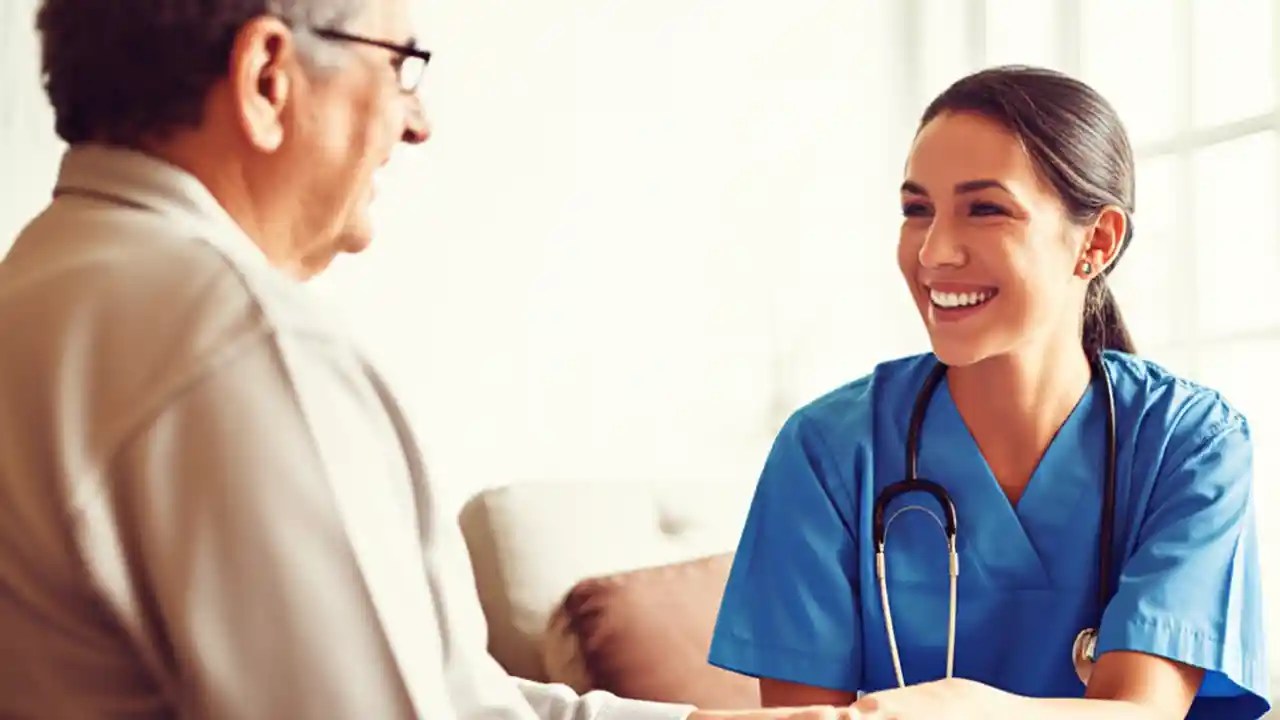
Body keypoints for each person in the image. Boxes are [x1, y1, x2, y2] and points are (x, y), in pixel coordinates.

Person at [0, 1, 859, 718]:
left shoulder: (45, 288)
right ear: (269, 77)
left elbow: (459, 704)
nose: (417, 121)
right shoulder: (238, 344)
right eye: (401, 64)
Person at [706, 65, 1272, 720]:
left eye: (985, 209)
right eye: (917, 210)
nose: (934, 252)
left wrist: (952, 707)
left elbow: (1142, 713)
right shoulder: (828, 450)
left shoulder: (1190, 440)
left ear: (1097, 241)